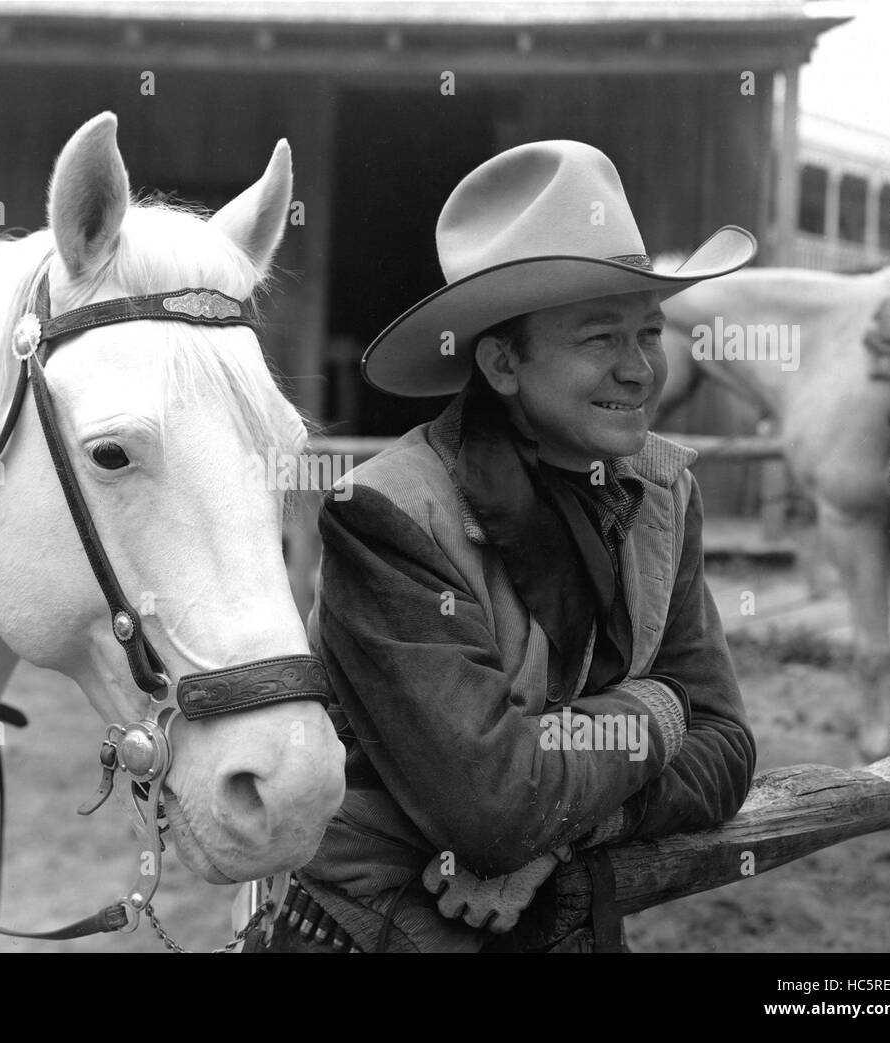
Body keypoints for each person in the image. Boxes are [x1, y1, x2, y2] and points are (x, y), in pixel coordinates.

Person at [246, 140, 758, 953]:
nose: (640, 371)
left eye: (649, 333)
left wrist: (565, 835)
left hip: (567, 917)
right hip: (383, 932)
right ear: (502, 363)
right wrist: (658, 708)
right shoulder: (388, 513)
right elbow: (493, 803)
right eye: (600, 338)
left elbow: (728, 744)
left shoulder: (664, 491)